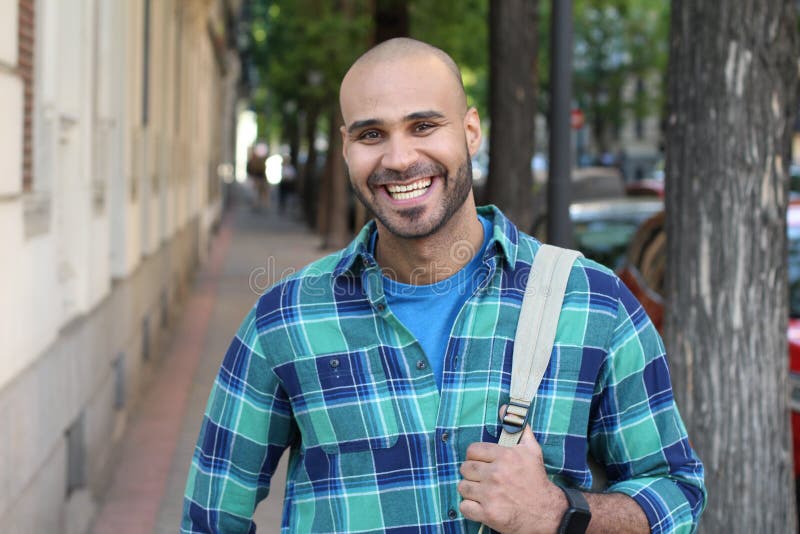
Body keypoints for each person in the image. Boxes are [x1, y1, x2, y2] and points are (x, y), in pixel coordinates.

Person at [182, 38, 706, 533]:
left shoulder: (592, 302)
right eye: (371, 134)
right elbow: (210, 518)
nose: (399, 158)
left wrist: (557, 511)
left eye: (424, 125)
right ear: (346, 148)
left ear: (471, 131)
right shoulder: (286, 318)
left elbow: (678, 497)